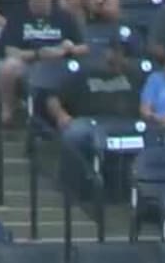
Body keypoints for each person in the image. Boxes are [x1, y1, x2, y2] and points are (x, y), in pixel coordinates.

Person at [46, 36, 140, 199]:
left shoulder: (135, 76)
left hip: (126, 123)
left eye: (123, 54)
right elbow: (53, 98)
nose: (118, 57)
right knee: (74, 133)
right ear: (107, 53)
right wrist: (61, 115)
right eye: (115, 52)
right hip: (90, 122)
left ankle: (129, 190)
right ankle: (72, 187)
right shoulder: (86, 73)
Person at [0, 0, 88, 126]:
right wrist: (38, 54)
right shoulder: (18, 16)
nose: (38, 2)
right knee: (8, 67)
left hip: (60, 65)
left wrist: (68, 50)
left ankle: (65, 117)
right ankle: (8, 110)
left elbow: (84, 47)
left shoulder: (64, 17)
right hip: (30, 64)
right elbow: (10, 50)